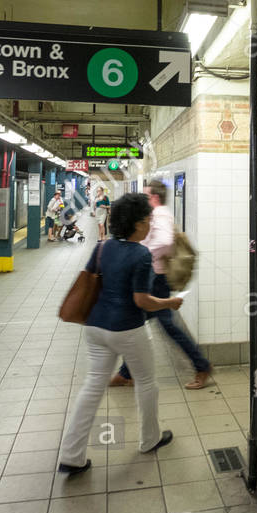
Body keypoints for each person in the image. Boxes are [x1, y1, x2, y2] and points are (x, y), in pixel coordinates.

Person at [57, 193, 184, 474]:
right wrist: (169, 303)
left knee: (92, 388)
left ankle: (71, 454)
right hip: (127, 328)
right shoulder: (140, 254)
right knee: (147, 382)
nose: (151, 224)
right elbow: (142, 300)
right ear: (138, 223)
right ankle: (150, 439)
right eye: (149, 220)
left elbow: (92, 280)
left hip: (95, 327)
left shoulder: (103, 247)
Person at [111, 179, 212, 390]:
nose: (144, 200)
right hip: (154, 277)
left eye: (146, 196)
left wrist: (143, 252)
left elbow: (165, 241)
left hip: (157, 279)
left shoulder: (160, 214)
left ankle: (202, 367)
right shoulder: (157, 214)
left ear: (154, 198)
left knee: (165, 326)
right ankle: (126, 373)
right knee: (140, 323)